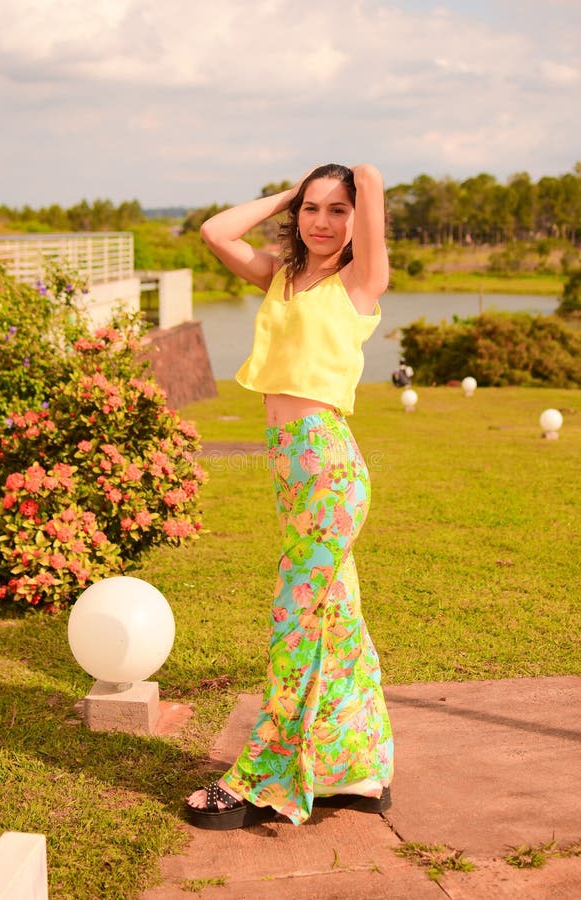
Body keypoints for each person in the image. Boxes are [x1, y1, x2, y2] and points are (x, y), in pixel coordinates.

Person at [186, 163, 394, 830]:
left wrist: (358, 182)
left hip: (328, 468)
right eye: (312, 208)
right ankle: (356, 770)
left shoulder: (361, 282)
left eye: (339, 211)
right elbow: (215, 232)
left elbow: (372, 186)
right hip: (292, 471)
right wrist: (291, 190)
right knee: (337, 621)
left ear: (358, 220)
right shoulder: (282, 274)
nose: (322, 222)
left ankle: (258, 779)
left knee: (295, 623)